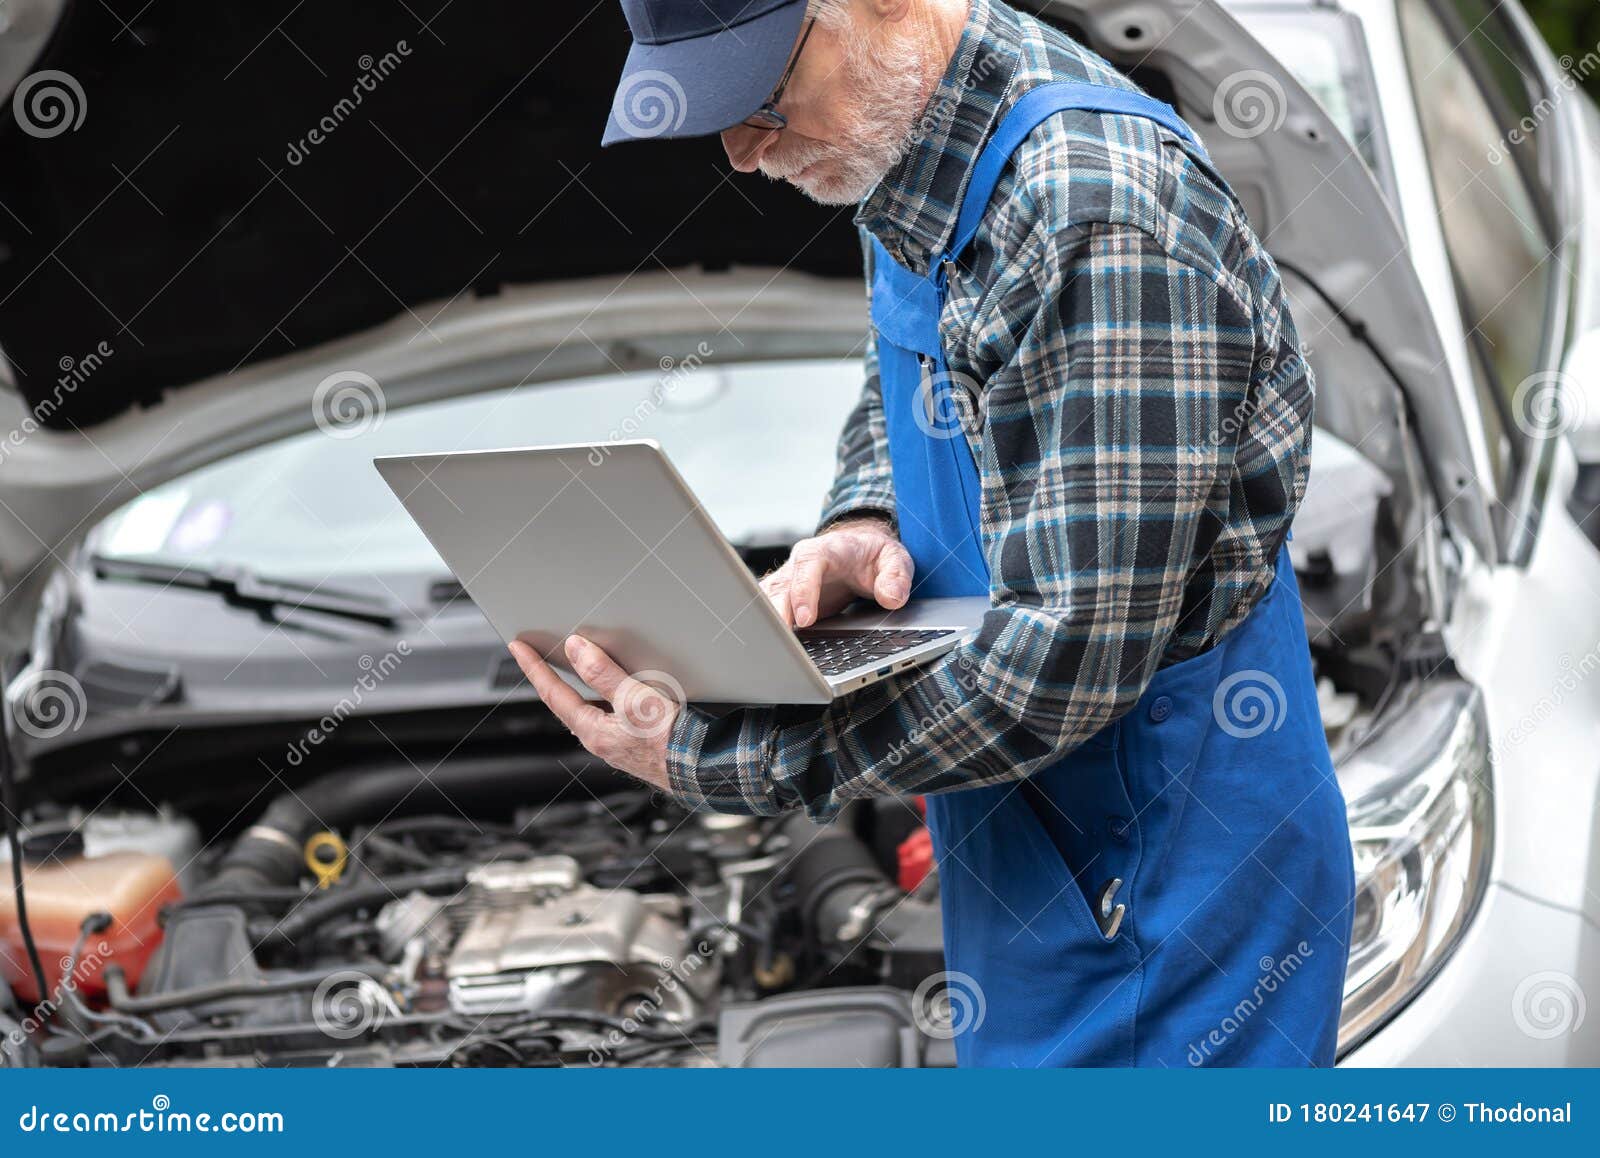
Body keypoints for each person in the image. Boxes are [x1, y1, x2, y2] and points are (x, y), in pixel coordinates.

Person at [509, 0, 1355, 1067]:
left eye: (762, 101)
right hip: (1018, 840)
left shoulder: (1097, 215)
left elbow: (1065, 663)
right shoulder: (916, 139)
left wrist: (715, 754)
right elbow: (904, 376)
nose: (738, 153)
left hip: (1172, 869)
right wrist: (861, 521)